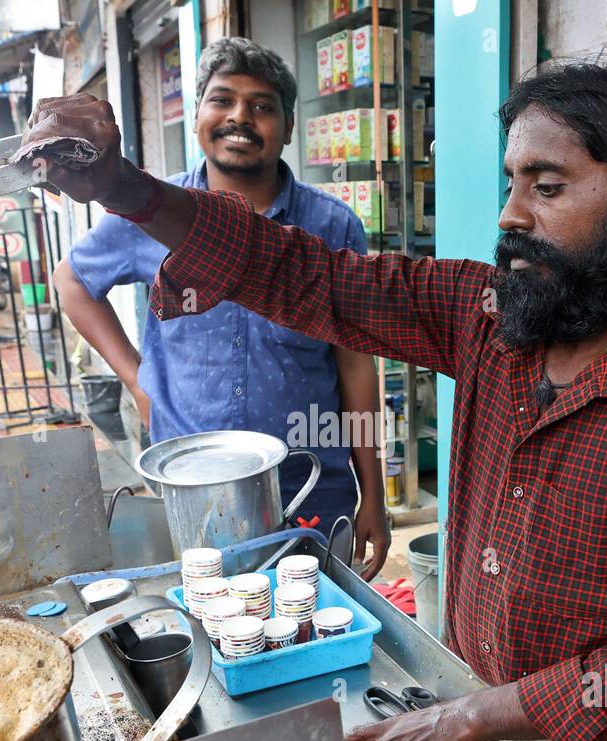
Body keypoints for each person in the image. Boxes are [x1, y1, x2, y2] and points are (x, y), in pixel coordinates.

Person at [23, 61, 607, 741]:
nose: (510, 215)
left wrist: (473, 718)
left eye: (548, 188)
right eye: (512, 182)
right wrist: (125, 188)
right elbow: (308, 274)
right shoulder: (487, 316)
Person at [54, 38, 389, 578]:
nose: (241, 117)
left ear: (288, 124)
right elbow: (71, 281)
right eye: (223, 100)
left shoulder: (332, 226)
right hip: (194, 488)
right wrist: (138, 381)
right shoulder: (151, 212)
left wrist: (373, 493)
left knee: (309, 626)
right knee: (210, 628)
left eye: (262, 106)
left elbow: (354, 362)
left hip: (309, 486)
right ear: (196, 116)